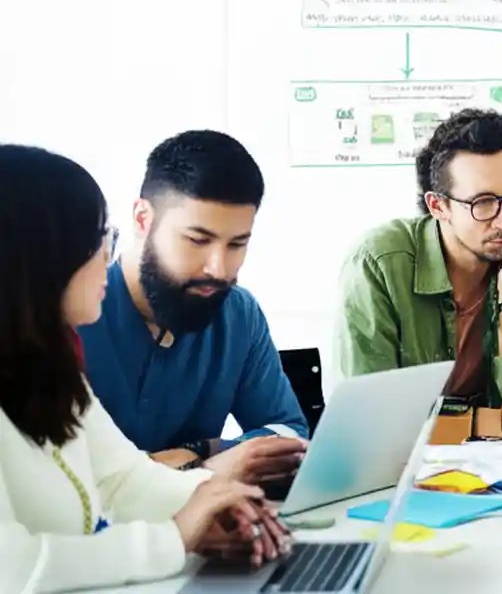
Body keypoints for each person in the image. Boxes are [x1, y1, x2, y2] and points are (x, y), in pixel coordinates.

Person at [0, 144, 290, 592]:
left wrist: (221, 502)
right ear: (37, 257)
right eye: (98, 238)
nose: (108, 256)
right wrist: (177, 537)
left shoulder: (51, 367)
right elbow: (13, 570)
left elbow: (123, 480)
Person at [78, 131, 309, 483]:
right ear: (142, 219)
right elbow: (61, 479)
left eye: (237, 244)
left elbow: (288, 433)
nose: (218, 268)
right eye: (197, 240)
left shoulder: (239, 314)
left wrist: (198, 451)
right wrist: (205, 470)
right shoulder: (73, 313)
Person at [335, 109, 502, 441]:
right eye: (483, 202)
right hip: (400, 465)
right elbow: (370, 419)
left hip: (499, 467)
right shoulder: (378, 263)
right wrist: (485, 424)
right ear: (438, 207)